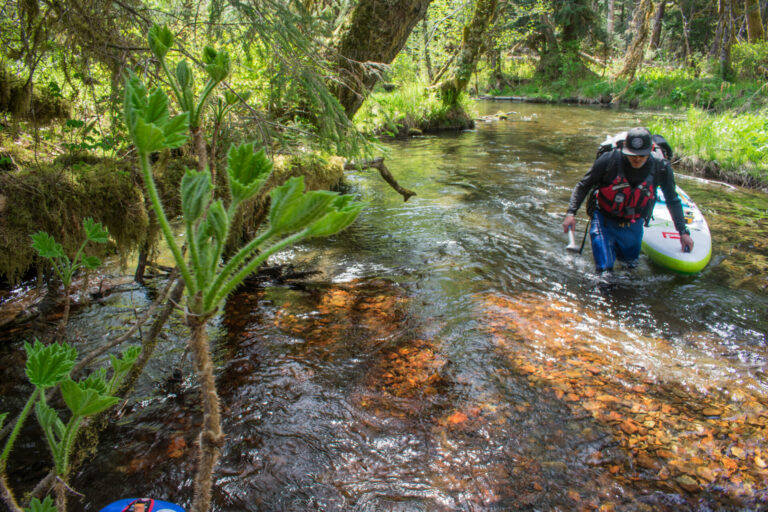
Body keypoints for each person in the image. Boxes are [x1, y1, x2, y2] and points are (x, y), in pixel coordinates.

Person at [562, 127, 694, 272]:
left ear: (650, 149)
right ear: (625, 147)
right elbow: (583, 185)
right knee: (604, 272)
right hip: (604, 222)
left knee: (629, 269)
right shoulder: (609, 160)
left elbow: (672, 200)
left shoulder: (661, 167)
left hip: (634, 225)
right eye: (632, 154)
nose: (636, 158)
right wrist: (571, 213)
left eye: (641, 155)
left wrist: (683, 232)